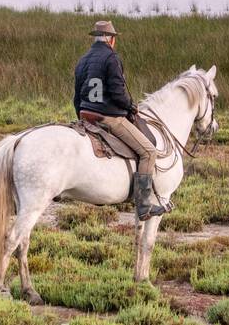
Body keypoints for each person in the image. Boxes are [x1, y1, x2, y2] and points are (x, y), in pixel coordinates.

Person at [73, 20, 171, 220]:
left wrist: (82, 116)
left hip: (85, 115)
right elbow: (118, 94)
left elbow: (76, 97)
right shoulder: (111, 58)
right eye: (114, 38)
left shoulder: (83, 60)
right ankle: (144, 205)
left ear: (96, 37)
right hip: (107, 117)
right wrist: (131, 107)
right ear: (111, 39)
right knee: (148, 152)